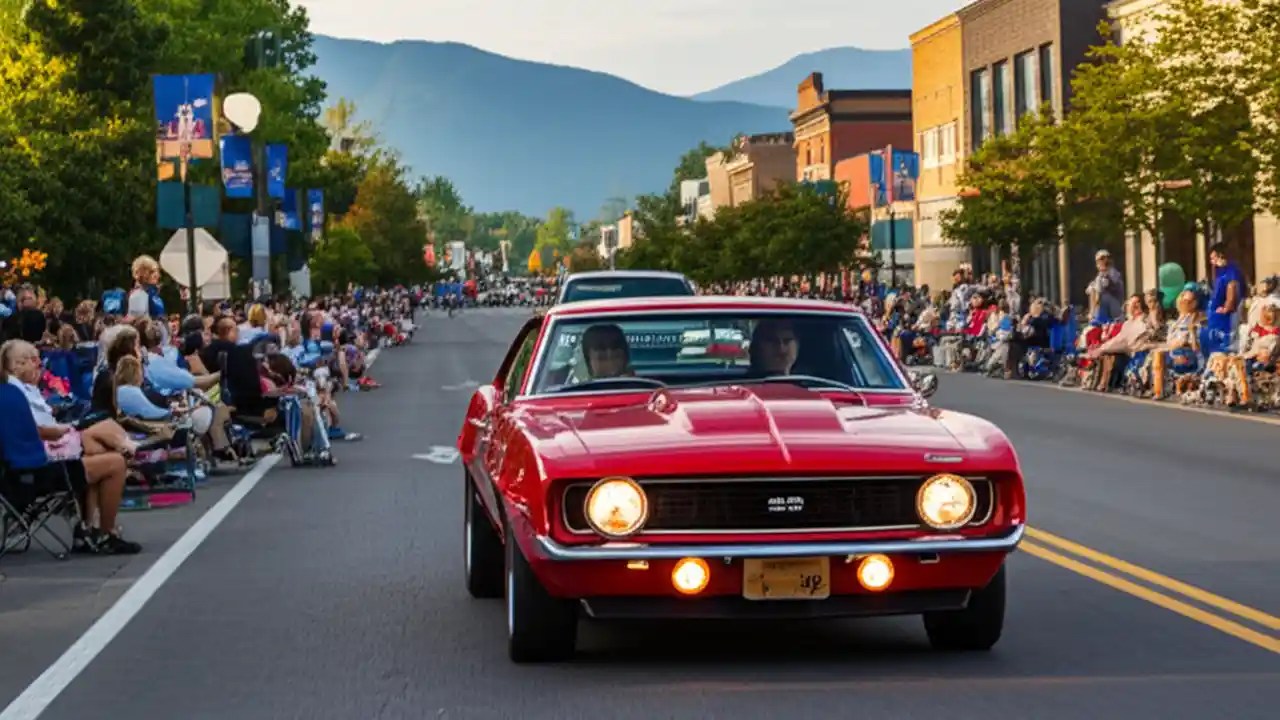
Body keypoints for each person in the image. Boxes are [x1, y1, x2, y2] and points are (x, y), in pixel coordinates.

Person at [0, 340, 140, 554]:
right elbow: (37, 431)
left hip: (26, 467)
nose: (38, 364)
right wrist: (59, 430)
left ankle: (89, 529)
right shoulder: (12, 394)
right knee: (115, 463)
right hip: (33, 470)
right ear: (15, 366)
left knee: (100, 451)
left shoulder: (13, 393)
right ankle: (105, 532)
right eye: (31, 360)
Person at [1207, 242, 1245, 352]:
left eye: (1213, 258)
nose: (1212, 261)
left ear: (1221, 255)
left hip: (1228, 315)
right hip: (1218, 313)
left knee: (1227, 343)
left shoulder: (1231, 270)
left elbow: (1232, 289)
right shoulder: (1221, 270)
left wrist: (1226, 308)